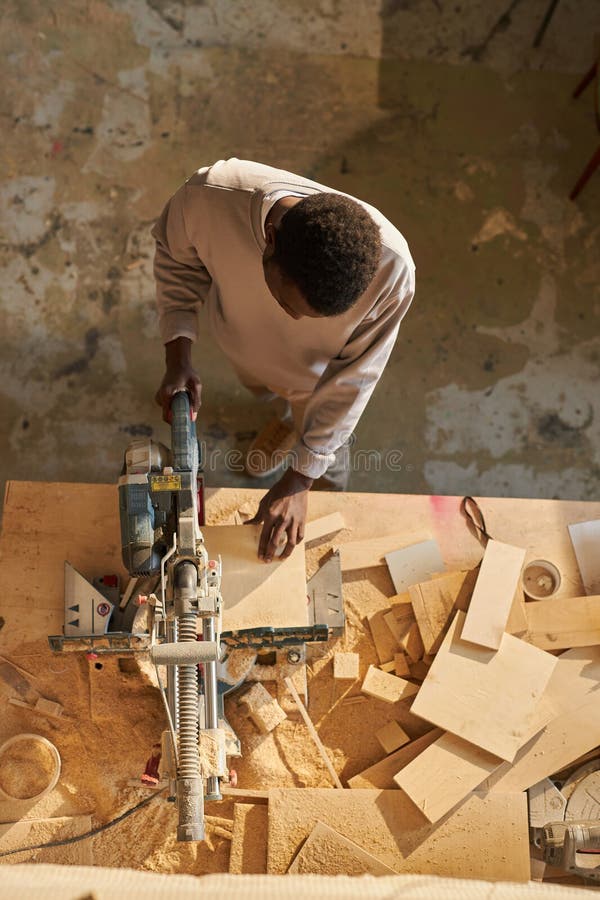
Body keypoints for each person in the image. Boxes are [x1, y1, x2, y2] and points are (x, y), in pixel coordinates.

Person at [152, 159, 415, 563]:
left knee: (326, 460)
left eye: (313, 317)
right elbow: (176, 261)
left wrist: (299, 480)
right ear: (270, 239)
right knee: (264, 392)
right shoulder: (209, 199)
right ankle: (286, 421)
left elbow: (355, 379)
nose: (293, 320)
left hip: (318, 383)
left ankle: (312, 476)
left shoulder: (392, 271)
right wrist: (178, 352)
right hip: (241, 346)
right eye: (287, 303)